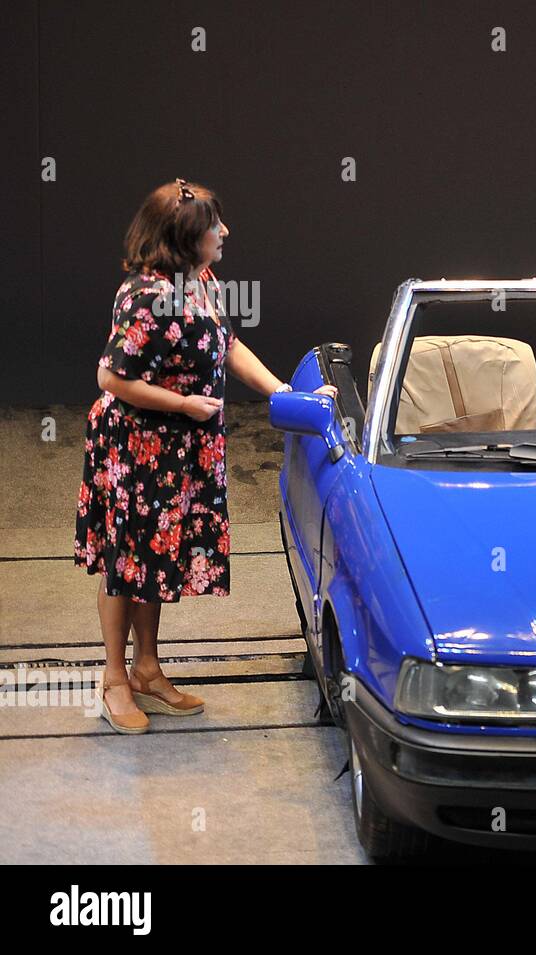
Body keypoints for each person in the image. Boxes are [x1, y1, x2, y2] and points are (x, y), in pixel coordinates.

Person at [73, 178, 338, 733]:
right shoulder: (146, 297)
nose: (224, 232)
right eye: (213, 226)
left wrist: (283, 393)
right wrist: (183, 404)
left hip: (180, 447)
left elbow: (229, 344)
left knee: (156, 561)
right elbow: (110, 377)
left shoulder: (200, 280)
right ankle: (114, 679)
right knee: (126, 565)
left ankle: (147, 668)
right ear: (183, 239)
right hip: (136, 452)